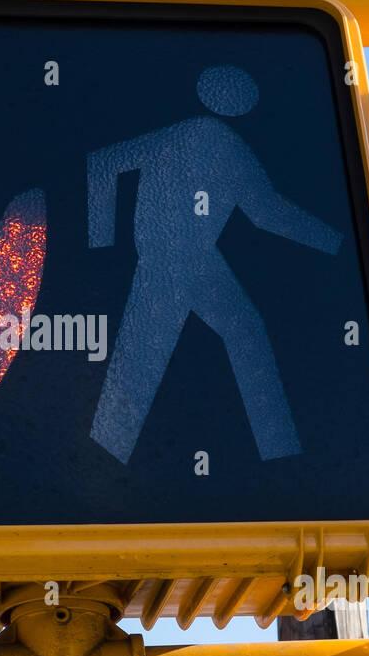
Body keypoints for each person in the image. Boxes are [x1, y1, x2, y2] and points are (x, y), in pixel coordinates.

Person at [86, 64, 342, 464]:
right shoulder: (195, 137)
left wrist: (333, 242)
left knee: (235, 333)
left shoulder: (223, 145)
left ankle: (282, 455)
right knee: (148, 351)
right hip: (168, 255)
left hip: (195, 256)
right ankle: (105, 454)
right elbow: (102, 163)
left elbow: (266, 211)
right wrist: (99, 241)